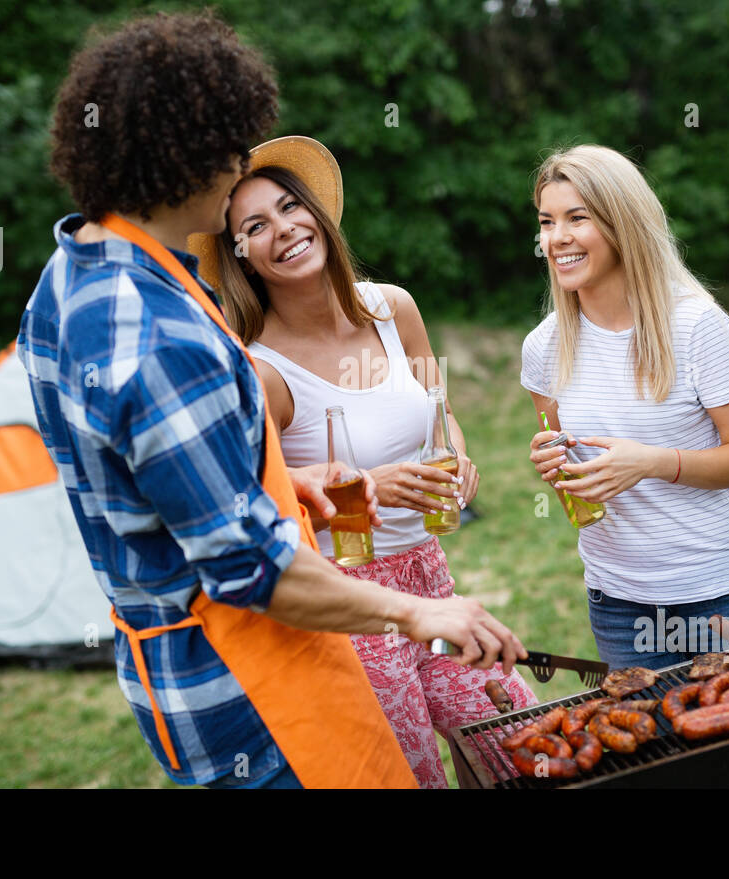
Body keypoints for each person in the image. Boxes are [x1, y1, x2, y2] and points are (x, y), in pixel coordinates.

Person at [16, 11, 524, 789]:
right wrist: (415, 615)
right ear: (190, 159)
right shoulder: (158, 337)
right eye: (231, 151)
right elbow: (249, 566)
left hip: (191, 676)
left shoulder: (72, 274)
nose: (236, 174)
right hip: (251, 693)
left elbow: (181, 493)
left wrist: (297, 484)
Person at [185, 135, 539, 788]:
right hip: (353, 610)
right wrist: (366, 485)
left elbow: (441, 408)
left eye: (291, 206)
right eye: (255, 226)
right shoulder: (261, 371)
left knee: (520, 745)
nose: (283, 229)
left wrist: (457, 457)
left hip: (435, 582)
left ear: (317, 211)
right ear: (241, 257)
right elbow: (247, 501)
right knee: (413, 778)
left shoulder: (393, 309)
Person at [521, 144, 729, 671]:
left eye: (577, 218)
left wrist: (650, 462)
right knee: (656, 755)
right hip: (618, 603)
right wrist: (554, 468)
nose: (557, 238)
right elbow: (569, 468)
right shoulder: (543, 347)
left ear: (622, 222)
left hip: (723, 594)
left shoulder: (696, 327)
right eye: (547, 222)